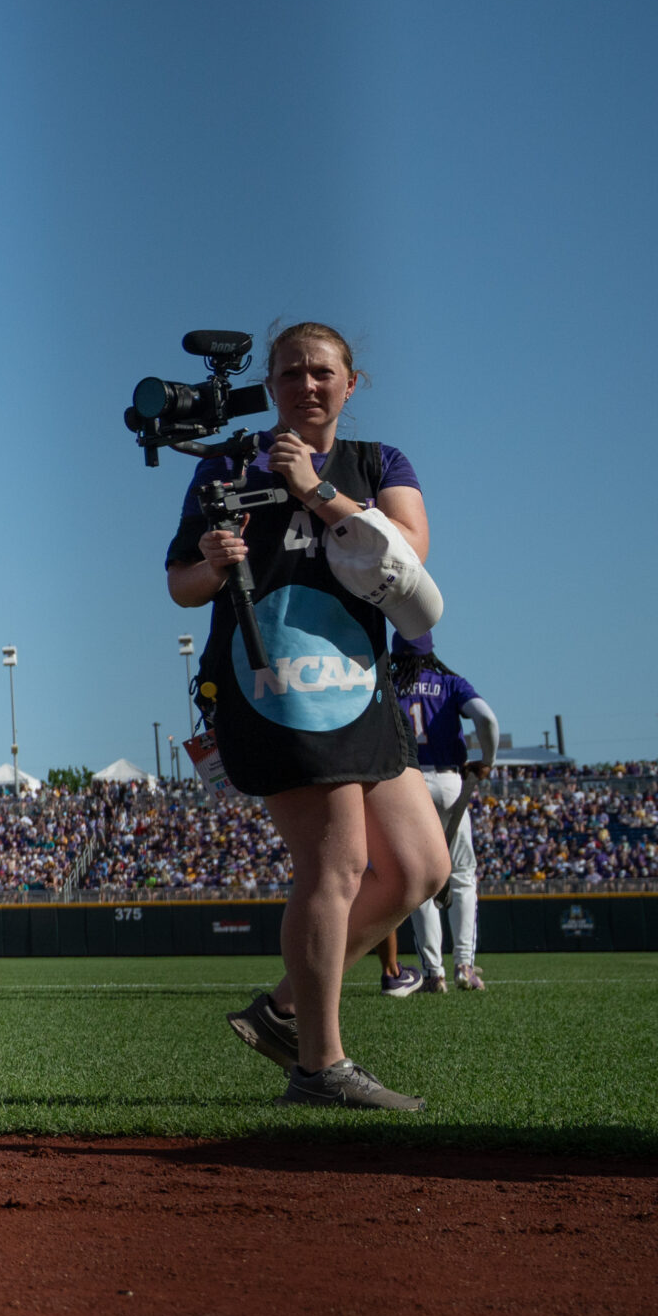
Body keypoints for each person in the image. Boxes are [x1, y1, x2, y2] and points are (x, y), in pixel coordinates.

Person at [175, 321, 449, 1111]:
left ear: (350, 382)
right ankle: (319, 1065)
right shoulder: (230, 463)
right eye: (291, 373)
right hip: (270, 677)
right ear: (270, 384)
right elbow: (180, 584)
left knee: (420, 868)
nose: (307, 385)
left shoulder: (376, 463)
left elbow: (409, 552)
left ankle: (282, 1009)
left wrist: (314, 490)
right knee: (335, 865)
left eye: (323, 371)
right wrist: (212, 565)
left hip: (359, 683)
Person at [394, 633, 495, 991]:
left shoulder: (388, 686)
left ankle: (433, 973)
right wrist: (488, 760)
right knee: (464, 877)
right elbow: (487, 719)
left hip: (408, 785)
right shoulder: (449, 682)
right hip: (452, 783)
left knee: (421, 883)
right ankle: (464, 966)